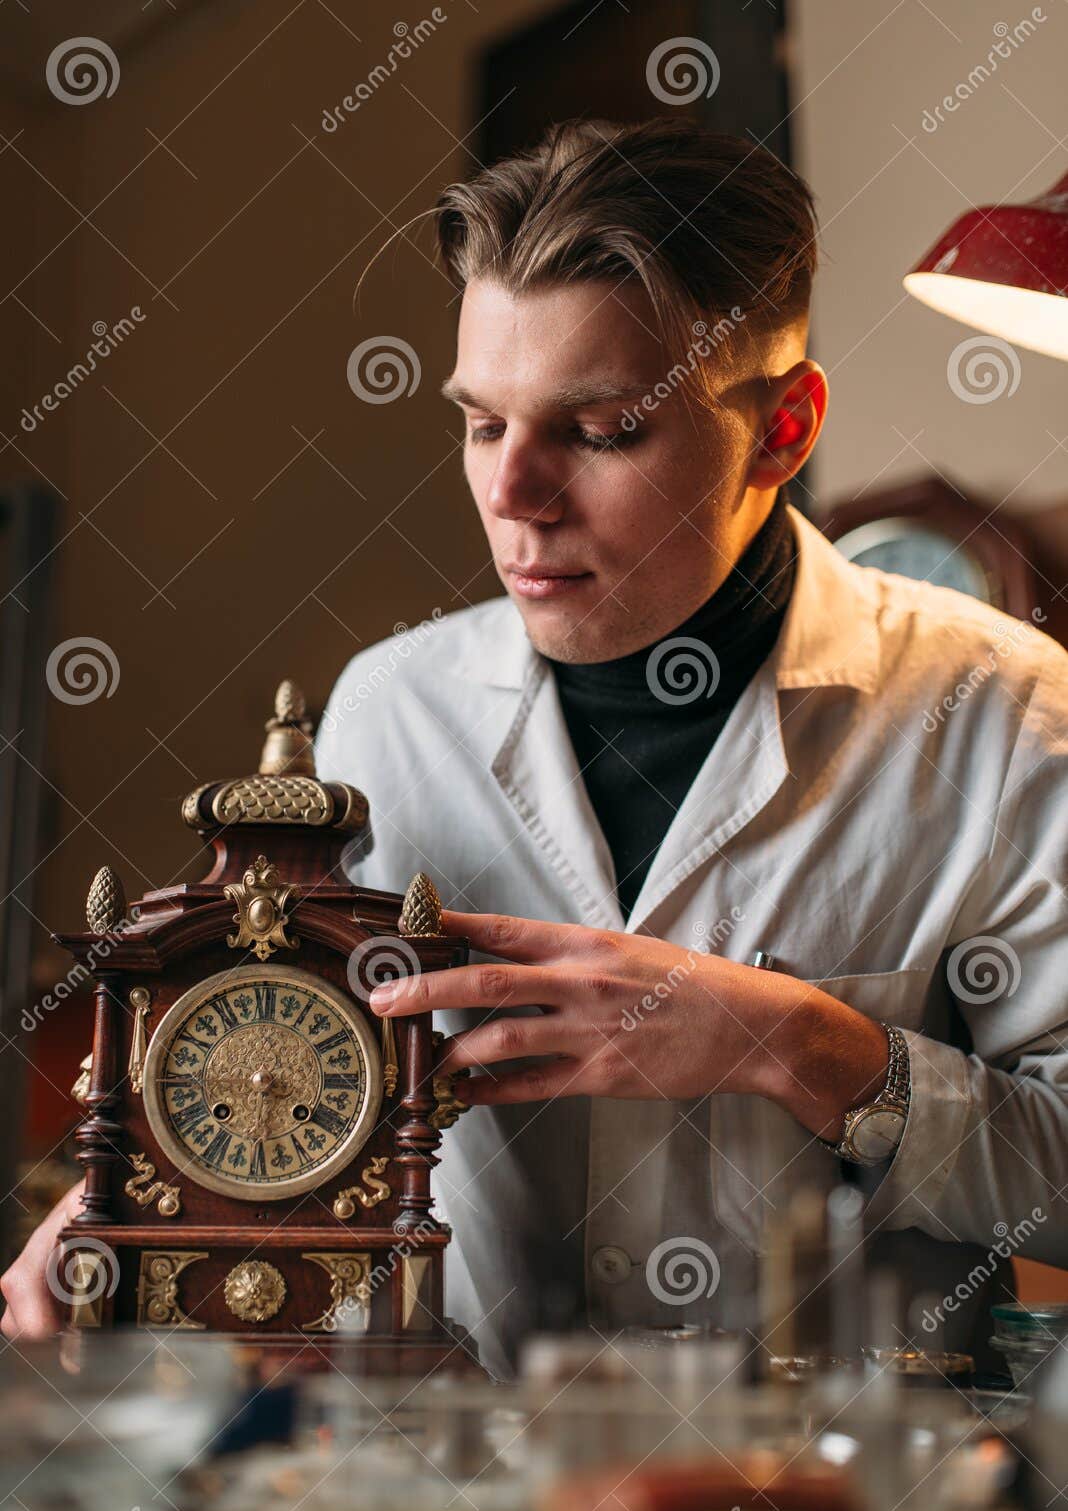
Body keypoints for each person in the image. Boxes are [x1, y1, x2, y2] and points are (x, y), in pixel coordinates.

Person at [5, 119, 1067, 1380]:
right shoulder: (389, 711)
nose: (513, 494)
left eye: (601, 429)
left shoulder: (1004, 715)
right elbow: (305, 1079)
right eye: (481, 424)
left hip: (848, 1485)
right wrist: (136, 1201)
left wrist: (801, 1046)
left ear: (784, 430)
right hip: (458, 1472)